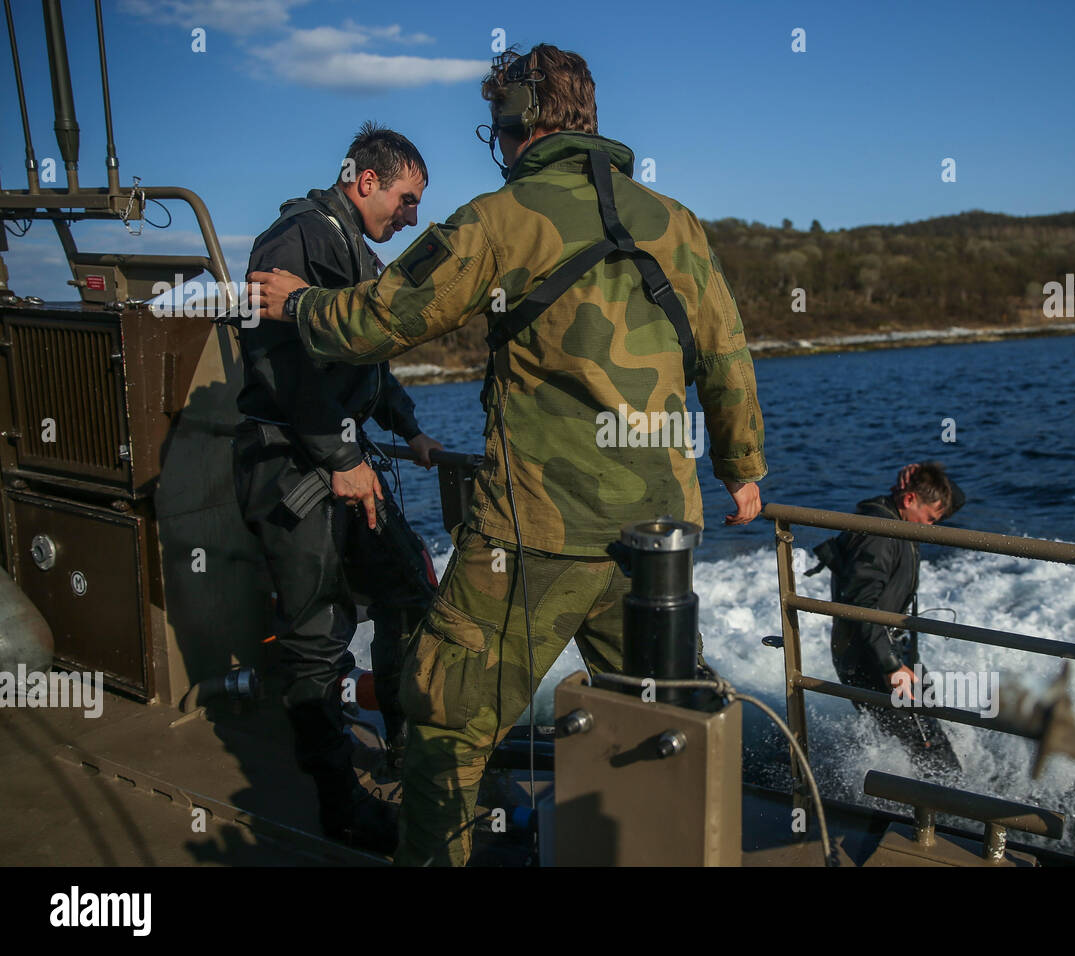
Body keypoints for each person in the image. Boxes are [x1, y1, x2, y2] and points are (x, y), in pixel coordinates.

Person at [250, 44, 767, 865]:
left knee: (446, 727)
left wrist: (302, 304)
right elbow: (727, 355)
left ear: (521, 122)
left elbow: (386, 317)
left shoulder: (500, 218)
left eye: (497, 129)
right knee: (665, 721)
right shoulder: (676, 222)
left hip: (532, 537)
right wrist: (743, 471)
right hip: (657, 538)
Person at [233, 123, 442, 854]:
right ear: (366, 183)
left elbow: (364, 362)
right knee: (318, 643)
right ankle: (338, 807)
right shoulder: (295, 239)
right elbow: (280, 367)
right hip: (294, 469)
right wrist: (338, 456)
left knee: (410, 593)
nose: (411, 216)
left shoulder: (353, 251)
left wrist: (410, 429)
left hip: (347, 462)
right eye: (407, 199)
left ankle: (409, 750)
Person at [808, 461, 966, 774]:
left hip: (892, 648)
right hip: (871, 656)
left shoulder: (898, 518)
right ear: (909, 501)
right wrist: (891, 666)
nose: (931, 527)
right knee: (923, 744)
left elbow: (953, 500)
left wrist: (926, 470)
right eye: (930, 519)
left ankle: (937, 806)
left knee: (929, 733)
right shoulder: (880, 535)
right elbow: (862, 608)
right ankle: (932, 813)